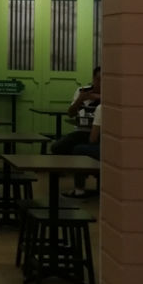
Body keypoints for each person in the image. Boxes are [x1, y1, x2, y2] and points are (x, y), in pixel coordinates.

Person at [51, 66, 101, 197]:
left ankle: (81, 186)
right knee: (58, 147)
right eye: (98, 79)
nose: (100, 83)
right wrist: (80, 99)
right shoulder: (82, 91)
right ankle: (74, 172)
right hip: (82, 132)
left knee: (80, 150)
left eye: (103, 80)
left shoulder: (111, 94)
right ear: (93, 79)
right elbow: (71, 114)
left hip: (100, 134)